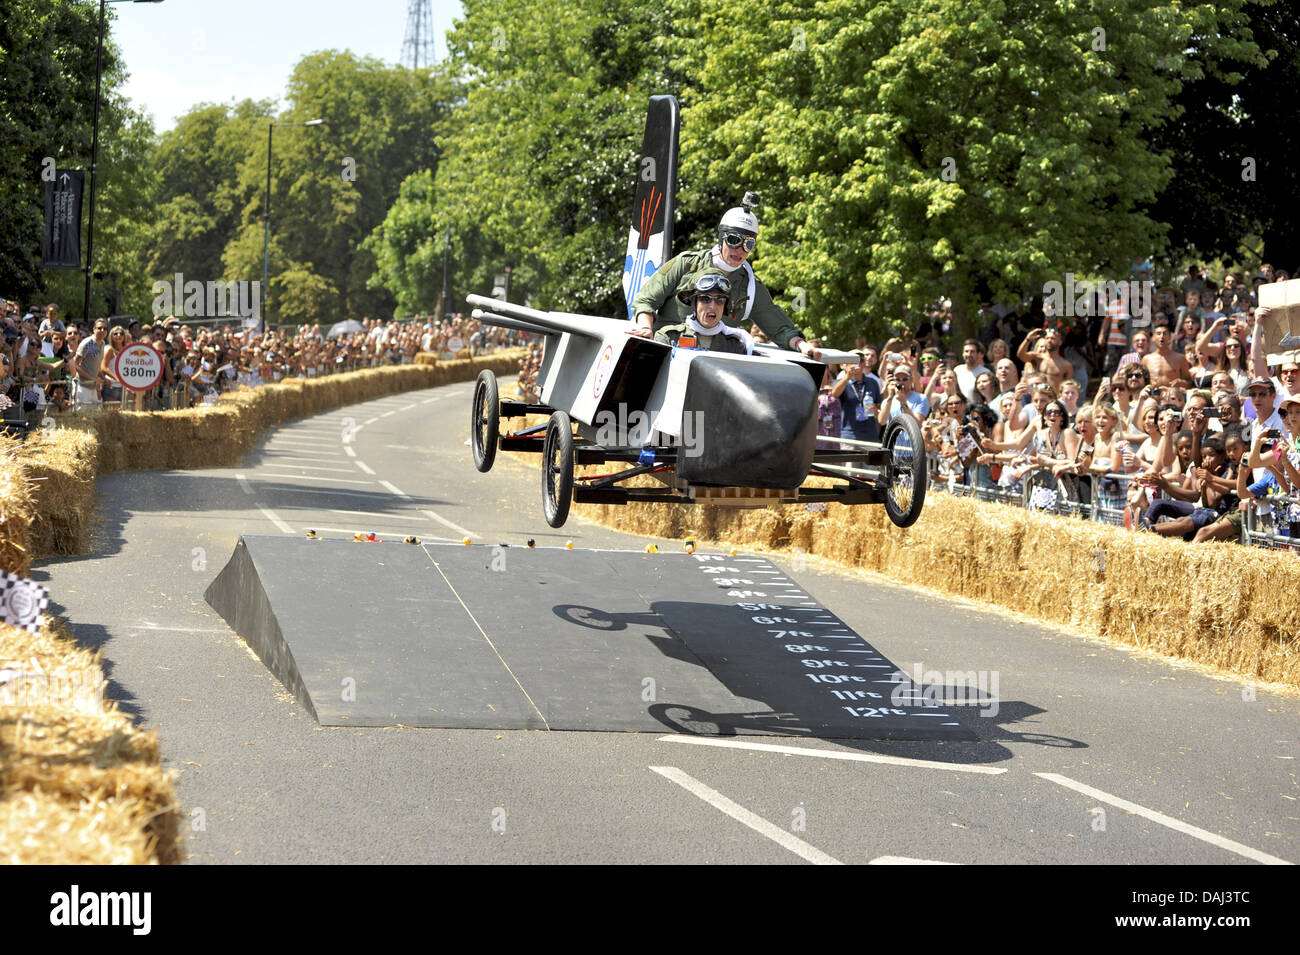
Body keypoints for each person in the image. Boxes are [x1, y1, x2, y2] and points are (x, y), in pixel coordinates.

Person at [628, 200, 819, 357]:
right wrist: (646, 328)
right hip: (667, 352)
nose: (740, 250)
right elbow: (645, 300)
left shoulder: (750, 286)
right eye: (734, 240)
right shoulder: (686, 264)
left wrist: (803, 346)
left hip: (714, 367)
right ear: (722, 238)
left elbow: (779, 328)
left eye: (748, 244)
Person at [652, 269, 753, 354]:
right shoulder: (668, 338)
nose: (712, 306)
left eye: (720, 300)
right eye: (705, 299)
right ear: (694, 303)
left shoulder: (734, 347)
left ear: (725, 306)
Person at [828, 351, 881, 442]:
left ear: (864, 364)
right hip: (849, 436)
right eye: (853, 361)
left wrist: (875, 409)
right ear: (845, 365)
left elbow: (878, 407)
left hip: (870, 436)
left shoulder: (873, 382)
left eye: (860, 360)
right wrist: (847, 377)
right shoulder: (840, 382)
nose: (857, 364)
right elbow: (834, 394)